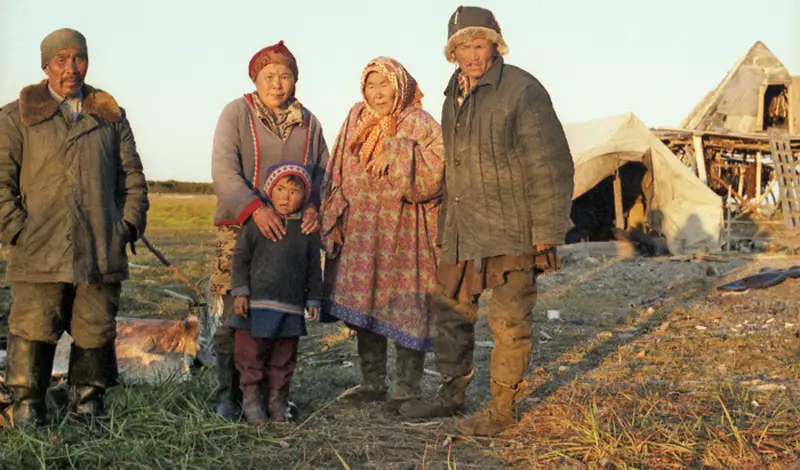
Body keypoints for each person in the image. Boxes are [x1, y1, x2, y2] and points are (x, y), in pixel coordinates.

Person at [398, 6, 575, 436]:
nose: (473, 56)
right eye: (463, 48)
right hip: (462, 226)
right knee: (451, 312)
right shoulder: (449, 97)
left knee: (509, 319)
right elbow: (451, 168)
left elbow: (550, 164)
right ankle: (451, 395)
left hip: (513, 225)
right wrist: (444, 227)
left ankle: (501, 410)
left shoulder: (523, 90)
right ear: (452, 53)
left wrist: (547, 232)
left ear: (495, 45)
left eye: (480, 45)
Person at [0, 28, 149, 427]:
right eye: (61, 59)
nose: (71, 67)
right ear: (45, 65)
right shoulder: (16, 116)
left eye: (78, 58)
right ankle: (28, 406)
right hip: (39, 245)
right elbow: (0, 180)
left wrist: (128, 224)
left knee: (95, 326)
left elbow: (131, 176)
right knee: (34, 323)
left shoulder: (110, 115)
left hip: (101, 246)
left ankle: (88, 406)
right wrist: (16, 228)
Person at [211, 40, 329, 420]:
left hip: (291, 236)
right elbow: (224, 171)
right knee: (236, 312)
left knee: (280, 315)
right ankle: (229, 395)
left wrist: (313, 206)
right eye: (269, 76)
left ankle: (271, 397)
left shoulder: (310, 124)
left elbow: (323, 175)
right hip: (242, 226)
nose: (277, 84)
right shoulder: (237, 113)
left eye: (285, 76)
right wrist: (255, 208)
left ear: (295, 80)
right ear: (255, 79)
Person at [321, 57, 444, 410]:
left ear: (400, 86)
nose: (377, 94)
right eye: (371, 86)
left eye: (384, 86)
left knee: (407, 305)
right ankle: (372, 382)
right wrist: (336, 213)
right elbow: (338, 167)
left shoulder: (419, 122)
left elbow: (438, 171)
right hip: (361, 231)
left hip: (405, 234)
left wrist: (398, 150)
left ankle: (406, 389)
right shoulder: (355, 118)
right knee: (366, 301)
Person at [229, 163, 322, 424]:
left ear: (305, 196)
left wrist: (314, 298)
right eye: (280, 189)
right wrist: (240, 292)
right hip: (255, 306)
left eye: (294, 192)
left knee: (283, 357)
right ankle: (251, 402)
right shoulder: (256, 224)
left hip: (289, 307)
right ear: (270, 190)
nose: (285, 196)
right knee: (250, 354)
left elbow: (314, 267)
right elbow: (240, 260)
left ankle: (278, 403)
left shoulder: (306, 230)